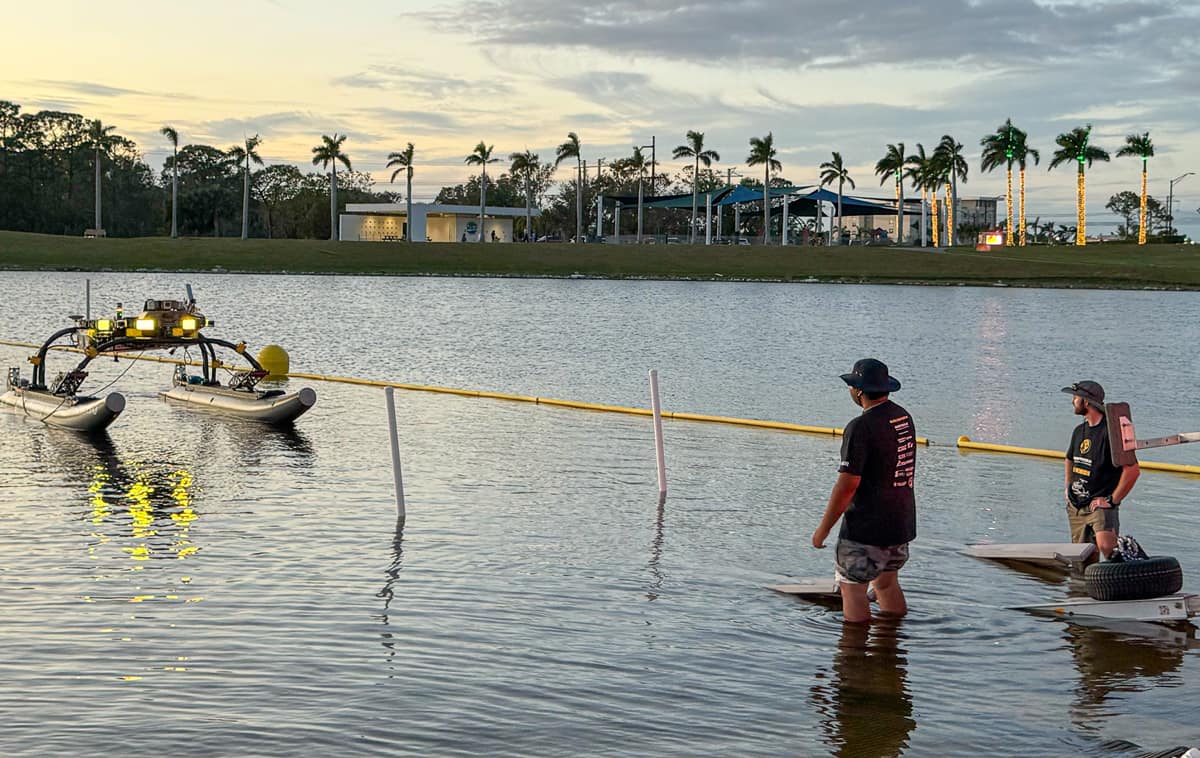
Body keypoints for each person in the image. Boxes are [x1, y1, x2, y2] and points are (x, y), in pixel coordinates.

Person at [812, 358, 917, 624]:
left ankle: (854, 657)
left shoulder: (859, 428)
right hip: (900, 524)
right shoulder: (903, 417)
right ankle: (891, 642)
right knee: (886, 584)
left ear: (859, 391)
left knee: (852, 590)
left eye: (851, 387)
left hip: (865, 529)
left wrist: (823, 529)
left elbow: (847, 485)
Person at [1062, 381, 1139, 559]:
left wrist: (1112, 500)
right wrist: (1067, 486)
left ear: (1086, 401)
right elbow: (1069, 459)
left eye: (1075, 398)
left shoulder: (1111, 433)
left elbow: (1133, 470)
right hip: (1077, 506)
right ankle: (1082, 587)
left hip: (1100, 505)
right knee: (1082, 559)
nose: (1072, 401)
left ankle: (1129, 577)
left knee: (1108, 549)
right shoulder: (1079, 431)